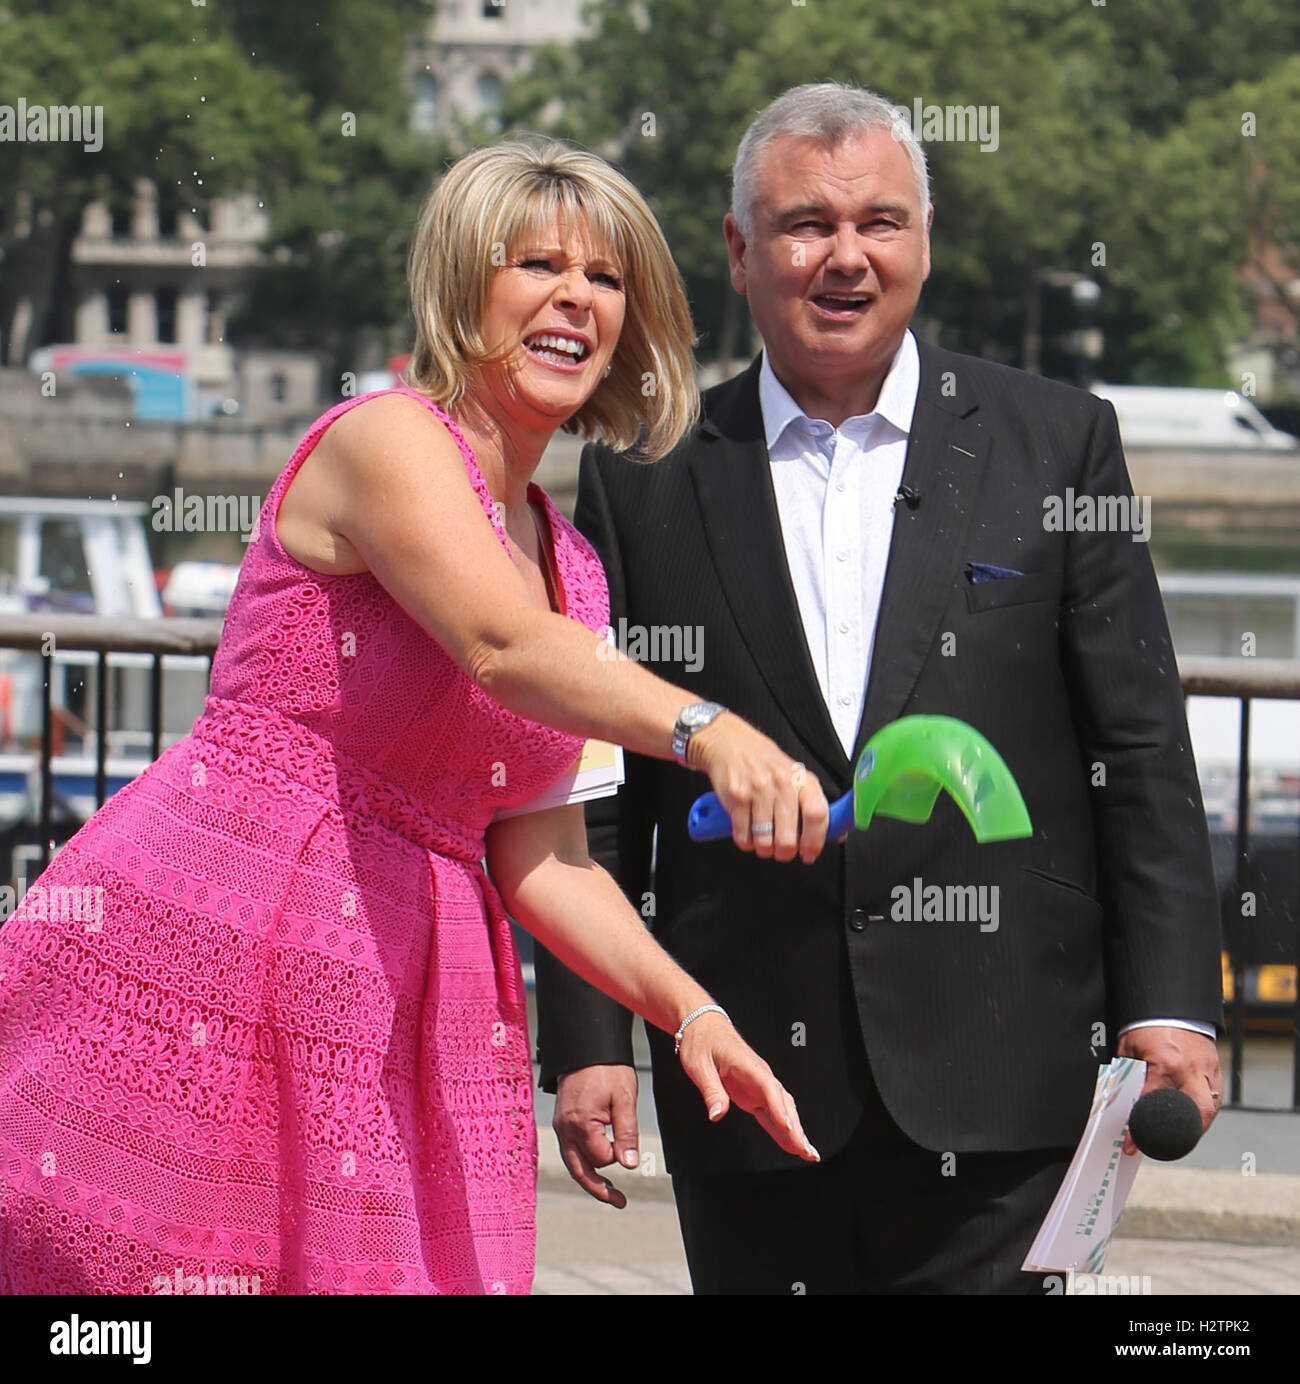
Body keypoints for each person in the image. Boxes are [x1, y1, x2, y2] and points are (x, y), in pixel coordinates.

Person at [0, 138, 827, 1296]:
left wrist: (689, 1010)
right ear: (462, 285)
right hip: (222, 939)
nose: (573, 298)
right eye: (534, 261)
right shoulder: (387, 439)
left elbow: (542, 858)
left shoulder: (574, 568)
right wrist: (710, 732)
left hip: (404, 996)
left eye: (603, 277)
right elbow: (500, 646)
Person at [535, 83, 1226, 1294]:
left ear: (921, 243)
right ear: (742, 254)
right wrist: (589, 1043)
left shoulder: (1057, 440)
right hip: (740, 1065)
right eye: (805, 224)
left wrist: (1173, 1005)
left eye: (880, 223)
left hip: (1007, 1072)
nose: (845, 256)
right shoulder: (644, 473)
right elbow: (603, 792)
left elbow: (1143, 751)